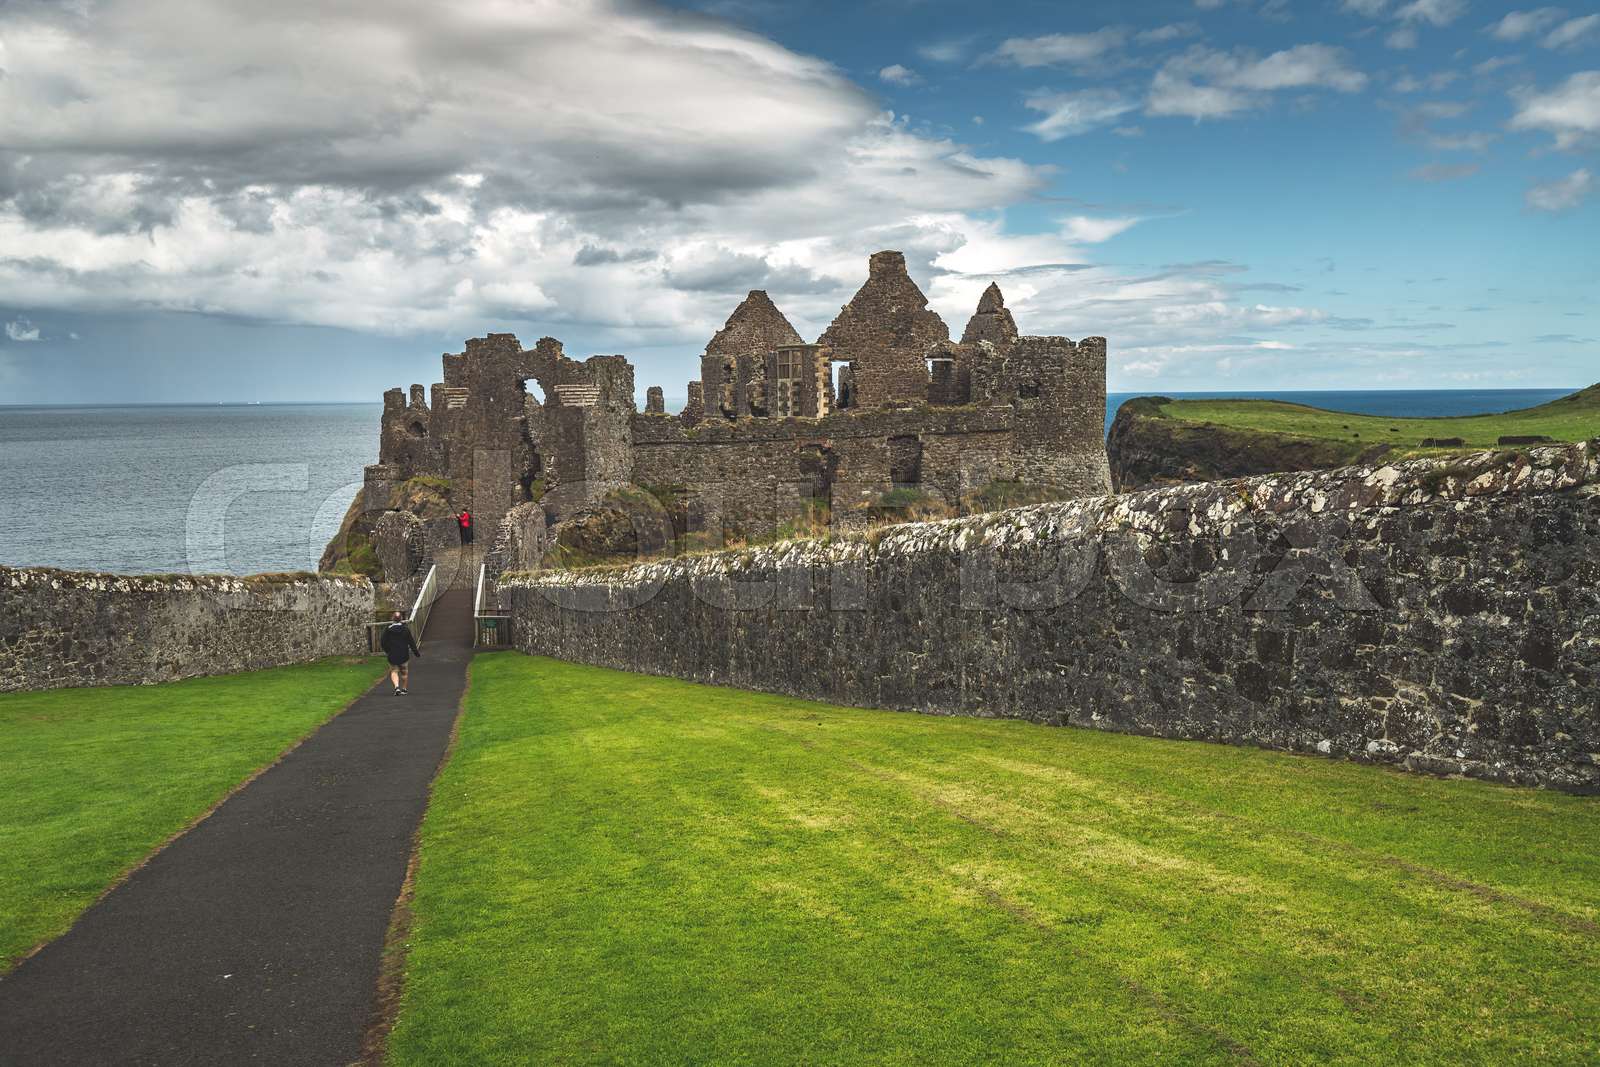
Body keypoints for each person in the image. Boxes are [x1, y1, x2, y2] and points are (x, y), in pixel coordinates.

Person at [379, 611, 421, 695]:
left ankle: (397, 687)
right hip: (404, 654)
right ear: (401, 619)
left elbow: (383, 642)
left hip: (392, 654)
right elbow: (411, 642)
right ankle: (404, 689)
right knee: (404, 671)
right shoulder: (405, 629)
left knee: (394, 671)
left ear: (392, 619)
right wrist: (416, 652)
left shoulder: (388, 629)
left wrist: (388, 651)